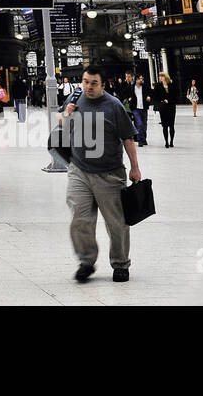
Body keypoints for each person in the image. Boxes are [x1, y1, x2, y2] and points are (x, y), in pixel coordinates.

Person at [57, 66, 142, 284]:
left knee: (116, 223)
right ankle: (86, 262)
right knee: (80, 218)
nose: (89, 86)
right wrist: (66, 115)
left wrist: (135, 167)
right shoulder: (75, 98)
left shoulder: (114, 105)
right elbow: (61, 124)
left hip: (109, 174)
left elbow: (128, 138)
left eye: (94, 83)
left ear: (103, 84)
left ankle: (120, 263)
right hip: (79, 170)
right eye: (86, 81)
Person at [153, 71, 177, 147]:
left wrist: (169, 100)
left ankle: (171, 141)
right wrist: (162, 100)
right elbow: (155, 96)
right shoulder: (158, 86)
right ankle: (166, 142)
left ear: (166, 77)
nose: (160, 78)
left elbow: (175, 96)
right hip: (163, 107)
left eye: (162, 76)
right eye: (160, 76)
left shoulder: (172, 85)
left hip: (171, 107)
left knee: (171, 125)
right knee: (165, 125)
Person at [130, 74, 150, 146]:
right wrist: (129, 98)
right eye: (140, 78)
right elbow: (124, 93)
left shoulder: (145, 86)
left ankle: (144, 139)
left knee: (144, 124)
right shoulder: (132, 87)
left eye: (142, 78)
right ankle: (139, 140)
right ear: (136, 79)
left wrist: (149, 96)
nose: (141, 80)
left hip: (144, 108)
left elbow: (151, 93)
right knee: (139, 124)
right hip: (135, 108)